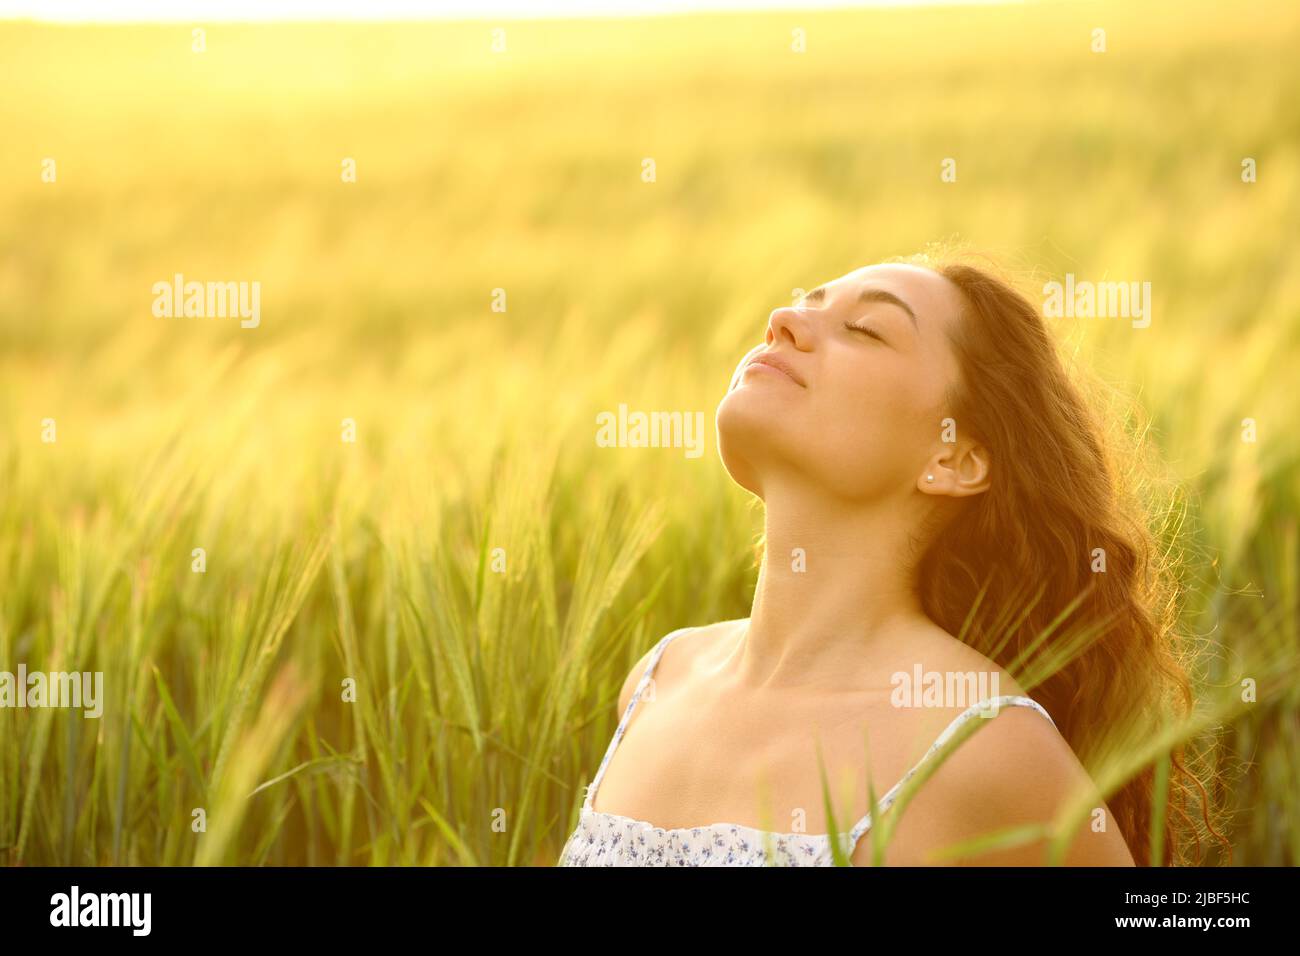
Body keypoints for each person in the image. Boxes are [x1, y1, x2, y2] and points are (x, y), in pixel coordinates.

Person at [558, 253, 1209, 866]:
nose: (782, 322)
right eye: (801, 306)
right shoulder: (659, 681)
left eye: (866, 330)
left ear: (954, 459)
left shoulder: (980, 744)